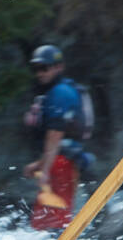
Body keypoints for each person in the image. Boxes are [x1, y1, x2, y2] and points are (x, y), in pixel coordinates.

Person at [22, 44, 95, 230]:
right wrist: (40, 165)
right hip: (59, 162)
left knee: (52, 218)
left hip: (62, 164)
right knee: (43, 218)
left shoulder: (60, 93)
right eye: (36, 68)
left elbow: (55, 136)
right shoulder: (55, 92)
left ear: (58, 67)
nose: (40, 73)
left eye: (44, 68)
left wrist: (44, 171)